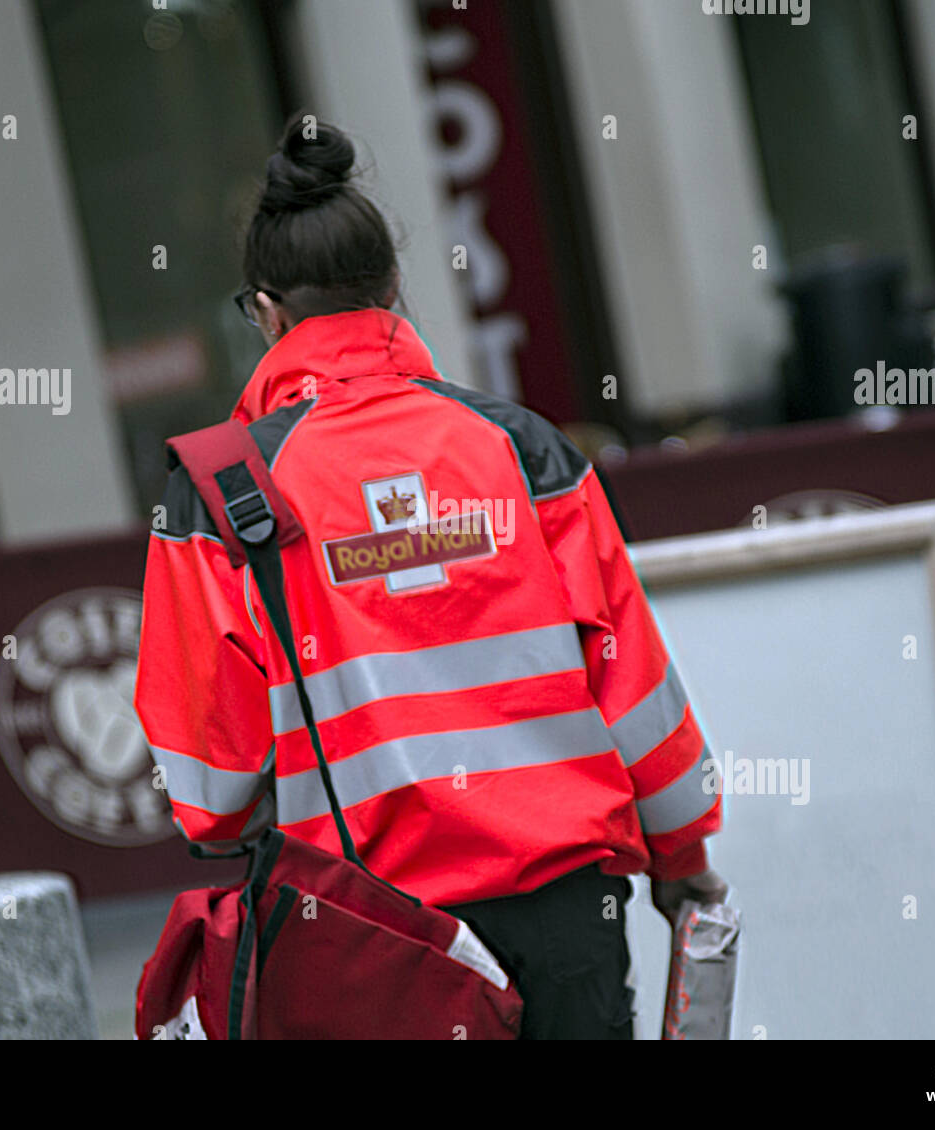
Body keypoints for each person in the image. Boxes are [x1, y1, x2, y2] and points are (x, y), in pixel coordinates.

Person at [133, 113, 724, 1040]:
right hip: (569, 911)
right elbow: (635, 685)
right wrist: (681, 854)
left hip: (372, 939)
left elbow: (211, 794)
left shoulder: (219, 491)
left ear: (265, 312)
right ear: (396, 290)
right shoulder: (523, 447)